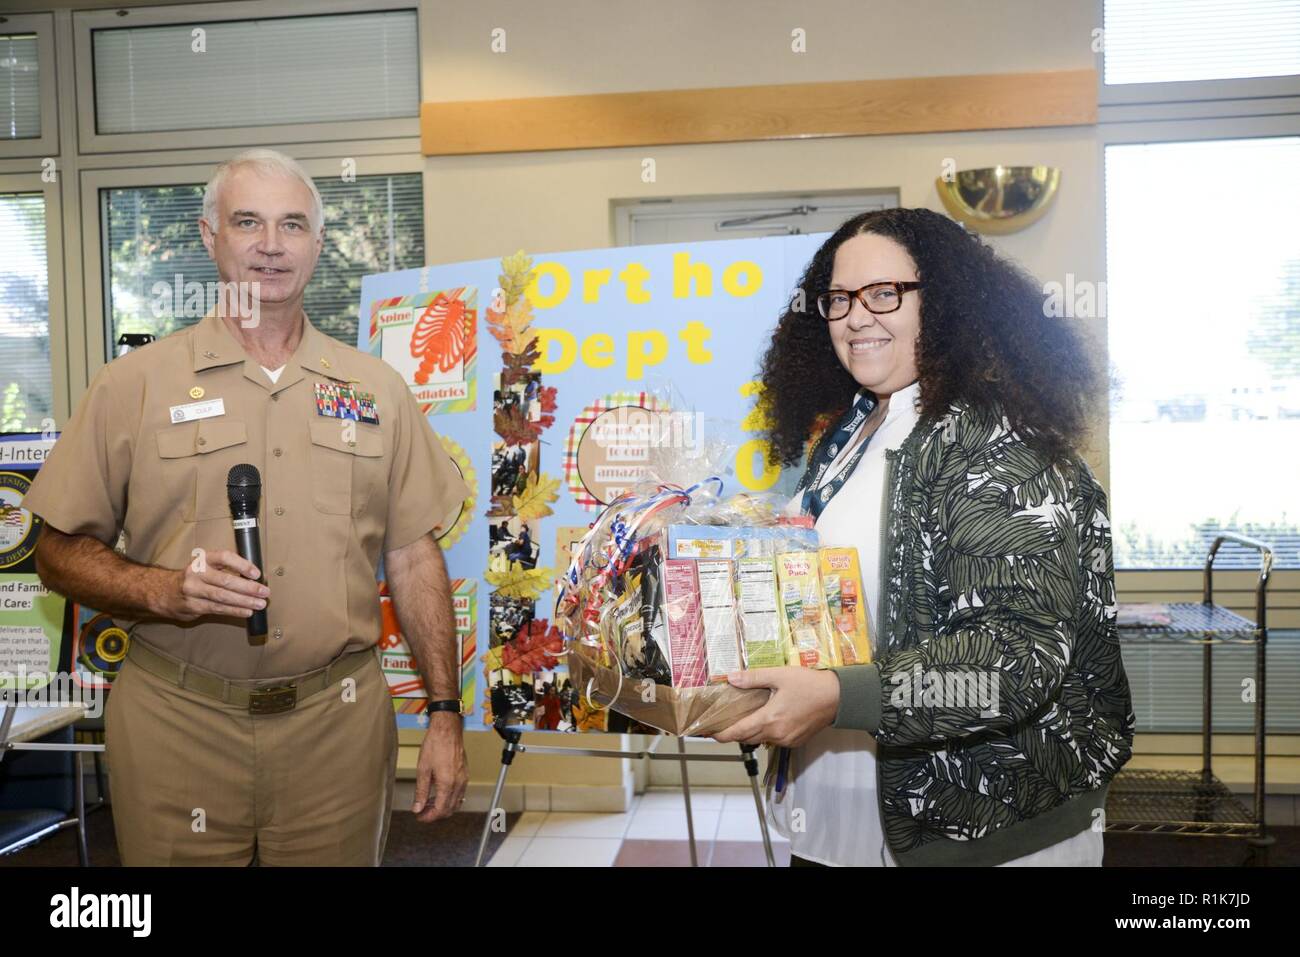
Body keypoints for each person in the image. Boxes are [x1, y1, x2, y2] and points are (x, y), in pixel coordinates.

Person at [25, 149, 472, 866]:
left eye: (293, 224)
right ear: (209, 236)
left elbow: (413, 553)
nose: (271, 244)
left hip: (337, 725)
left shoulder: (376, 389)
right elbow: (55, 550)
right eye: (248, 222)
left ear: (318, 245)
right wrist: (163, 591)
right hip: (177, 722)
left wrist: (446, 714)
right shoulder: (131, 386)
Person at [714, 207, 1135, 867]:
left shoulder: (1002, 442)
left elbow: (1013, 661)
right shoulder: (850, 430)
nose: (857, 316)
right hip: (838, 810)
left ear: (946, 303)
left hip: (981, 832)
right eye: (840, 297)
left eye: (885, 293)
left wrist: (839, 695)